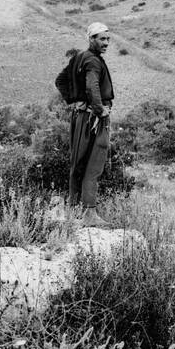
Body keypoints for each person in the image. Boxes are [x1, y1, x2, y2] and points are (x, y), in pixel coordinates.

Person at [67, 21, 114, 225]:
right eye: (102, 39)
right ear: (91, 39)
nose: (106, 43)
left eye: (108, 39)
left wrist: (75, 101)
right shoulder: (94, 61)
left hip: (80, 117)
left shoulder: (79, 58)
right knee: (94, 165)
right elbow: (92, 86)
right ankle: (89, 214)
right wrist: (99, 109)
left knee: (78, 163)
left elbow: (60, 81)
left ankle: (74, 211)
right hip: (94, 119)